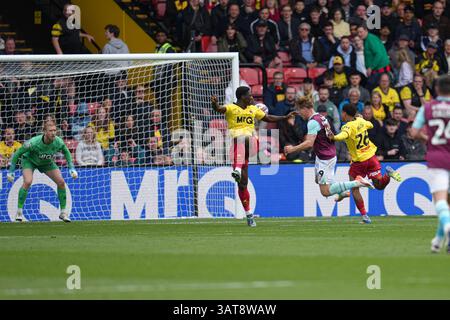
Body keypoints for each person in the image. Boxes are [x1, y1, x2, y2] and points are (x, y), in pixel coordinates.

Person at [211, 86, 297, 227]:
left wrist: (284, 117)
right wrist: (214, 104)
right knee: (243, 185)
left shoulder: (253, 109)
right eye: (249, 95)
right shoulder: (232, 108)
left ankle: (237, 170)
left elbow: (268, 117)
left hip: (251, 144)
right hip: (237, 151)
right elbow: (219, 109)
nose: (251, 97)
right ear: (241, 97)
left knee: (244, 137)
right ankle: (249, 215)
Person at [284, 97, 374, 208]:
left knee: (325, 192)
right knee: (318, 180)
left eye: (299, 110)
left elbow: (309, 143)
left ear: (306, 108)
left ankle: (358, 182)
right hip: (326, 154)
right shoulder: (321, 117)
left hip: (325, 158)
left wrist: (292, 149)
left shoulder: (312, 122)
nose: (299, 114)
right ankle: (342, 193)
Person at [327, 104, 402, 224]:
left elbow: (344, 135)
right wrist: (361, 119)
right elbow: (370, 125)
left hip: (359, 162)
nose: (342, 115)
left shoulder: (347, 126)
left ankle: (365, 216)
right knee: (379, 186)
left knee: (354, 188)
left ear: (345, 113)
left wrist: (334, 137)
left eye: (342, 113)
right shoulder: (361, 121)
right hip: (371, 158)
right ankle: (388, 174)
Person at [7, 120, 78, 222]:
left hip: (46, 162)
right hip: (30, 161)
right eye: (50, 131)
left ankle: (63, 212)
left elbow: (66, 152)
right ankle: (19, 211)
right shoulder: (33, 143)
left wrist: (71, 168)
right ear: (44, 131)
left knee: (61, 182)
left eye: (55, 130)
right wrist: (11, 171)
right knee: (27, 181)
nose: (53, 133)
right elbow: (18, 153)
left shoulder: (58, 141)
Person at [410, 75, 450, 253]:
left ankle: (447, 228)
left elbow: (414, 132)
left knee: (440, 201)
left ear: (437, 89)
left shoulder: (427, 108)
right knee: (447, 204)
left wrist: (428, 139)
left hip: (437, 157)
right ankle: (438, 240)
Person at [357, 24, 391, 91]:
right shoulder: (367, 39)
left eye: (361, 32)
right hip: (376, 71)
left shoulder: (371, 39)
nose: (359, 34)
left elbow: (379, 54)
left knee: (370, 89)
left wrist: (371, 67)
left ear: (366, 30)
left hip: (379, 70)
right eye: (358, 32)